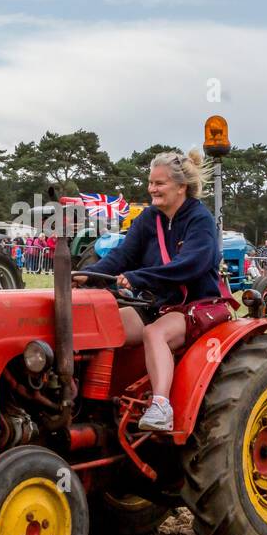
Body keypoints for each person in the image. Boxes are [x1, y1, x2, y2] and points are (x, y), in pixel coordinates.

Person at [76, 150, 226, 432]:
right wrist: (90, 276)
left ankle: (161, 407)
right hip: (157, 305)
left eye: (160, 183)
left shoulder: (199, 220)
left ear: (181, 187)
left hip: (193, 305)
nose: (152, 189)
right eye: (150, 182)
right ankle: (89, 403)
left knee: (153, 333)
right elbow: (123, 255)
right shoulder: (149, 219)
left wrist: (139, 278)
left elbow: (190, 265)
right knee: (104, 325)